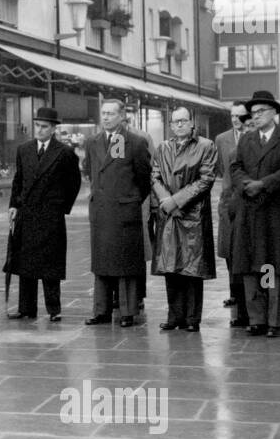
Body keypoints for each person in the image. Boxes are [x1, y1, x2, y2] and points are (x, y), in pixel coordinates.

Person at [229, 90, 280, 339]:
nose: (256, 116)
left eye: (261, 111)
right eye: (254, 112)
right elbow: (235, 167)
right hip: (250, 211)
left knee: (272, 266)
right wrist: (245, 183)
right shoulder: (247, 140)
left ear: (274, 113)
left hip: (276, 214)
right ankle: (257, 318)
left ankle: (274, 320)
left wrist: (263, 184)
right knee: (252, 267)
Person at [6, 107, 81, 322]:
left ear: (53, 129)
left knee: (50, 264)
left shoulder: (64, 153)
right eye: (37, 126)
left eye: (44, 127)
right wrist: (14, 205)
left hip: (51, 216)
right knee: (25, 263)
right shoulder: (24, 150)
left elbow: (73, 183)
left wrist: (61, 207)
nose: (39, 130)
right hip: (27, 214)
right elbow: (18, 180)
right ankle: (26, 308)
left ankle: (53, 309)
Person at [85, 99, 152, 328]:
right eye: (103, 113)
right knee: (102, 263)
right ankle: (101, 310)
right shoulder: (92, 142)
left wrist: (130, 200)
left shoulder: (135, 142)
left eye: (111, 113)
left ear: (122, 116)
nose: (105, 117)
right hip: (102, 211)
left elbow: (144, 178)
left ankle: (127, 311)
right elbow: (90, 171)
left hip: (124, 212)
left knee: (125, 264)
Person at [150, 107, 218, 331]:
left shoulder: (205, 146)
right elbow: (155, 176)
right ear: (170, 125)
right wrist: (166, 201)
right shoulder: (163, 147)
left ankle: (191, 318)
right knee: (171, 267)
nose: (179, 125)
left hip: (193, 214)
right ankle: (174, 316)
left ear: (192, 123)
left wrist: (177, 201)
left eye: (183, 121)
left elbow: (206, 179)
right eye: (175, 121)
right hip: (169, 215)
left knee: (192, 269)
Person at [214, 104, 251, 326]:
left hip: (248, 198)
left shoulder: (253, 136)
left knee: (247, 252)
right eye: (232, 116)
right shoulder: (222, 139)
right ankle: (235, 292)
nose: (235, 119)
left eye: (239, 116)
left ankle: (253, 297)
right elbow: (221, 169)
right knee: (229, 251)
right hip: (228, 200)